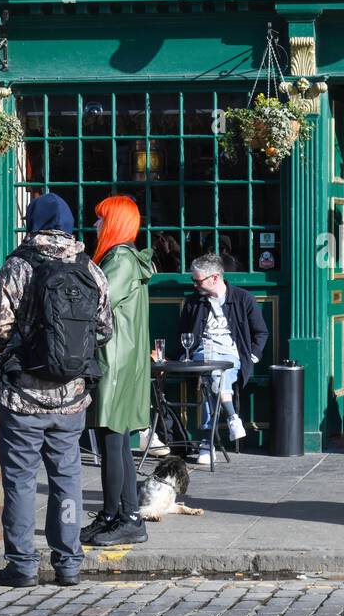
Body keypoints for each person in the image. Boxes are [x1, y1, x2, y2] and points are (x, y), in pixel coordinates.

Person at [0, 194, 113, 587]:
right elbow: (105, 329)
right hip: (71, 398)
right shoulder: (89, 268)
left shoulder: (19, 265)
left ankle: (21, 566)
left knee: (19, 482)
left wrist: (21, 346)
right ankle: (68, 563)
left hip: (22, 397)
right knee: (67, 480)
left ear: (33, 223)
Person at [82, 196, 154, 547]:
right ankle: (120, 515)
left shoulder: (120, 260)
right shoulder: (122, 258)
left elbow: (95, 304)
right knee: (116, 442)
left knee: (113, 442)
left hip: (115, 362)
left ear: (115, 223)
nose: (95, 225)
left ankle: (122, 517)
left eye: (101, 219)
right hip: (120, 360)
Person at [175, 253, 268, 465]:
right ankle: (232, 417)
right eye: (193, 280)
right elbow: (182, 334)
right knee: (213, 374)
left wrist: (252, 357)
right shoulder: (193, 302)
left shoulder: (243, 298)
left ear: (215, 278)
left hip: (231, 356)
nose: (194, 284)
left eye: (198, 280)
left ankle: (208, 443)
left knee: (213, 378)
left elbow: (261, 333)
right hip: (202, 356)